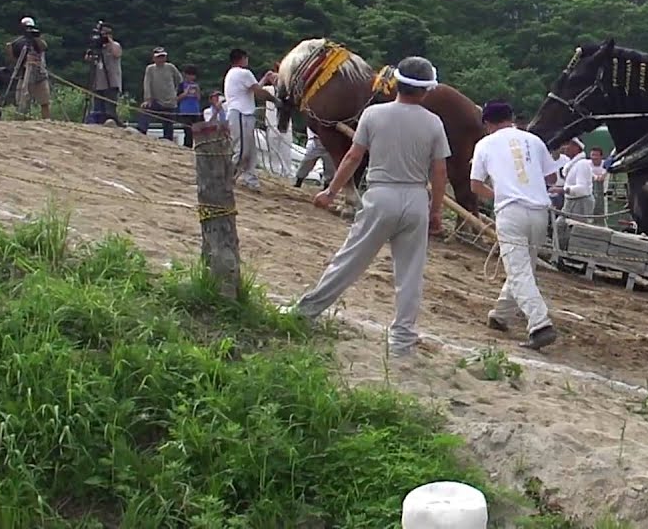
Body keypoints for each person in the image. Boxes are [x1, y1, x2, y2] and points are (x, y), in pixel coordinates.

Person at [282, 57, 450, 356]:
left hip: (381, 193)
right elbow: (439, 172)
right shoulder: (434, 122)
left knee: (349, 259)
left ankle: (307, 311)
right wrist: (436, 210)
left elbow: (352, 158)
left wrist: (331, 192)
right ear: (425, 91)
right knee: (410, 274)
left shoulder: (373, 114)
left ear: (395, 83)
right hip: (415, 200)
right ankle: (402, 340)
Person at [471, 99, 560, 350]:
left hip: (511, 211)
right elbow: (552, 177)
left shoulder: (485, 144)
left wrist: (498, 193)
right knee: (525, 267)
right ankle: (501, 314)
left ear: (487, 123)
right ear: (511, 118)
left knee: (519, 270)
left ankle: (540, 323)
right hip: (540, 211)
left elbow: (475, 185)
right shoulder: (534, 140)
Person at [223, 49, 277, 190]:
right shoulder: (243, 73)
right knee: (242, 150)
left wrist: (265, 78)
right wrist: (275, 100)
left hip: (242, 114)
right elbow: (258, 91)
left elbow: (254, 88)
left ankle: (250, 179)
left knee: (251, 150)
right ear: (242, 59)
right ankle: (226, 176)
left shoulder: (232, 73)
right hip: (241, 113)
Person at [8, 17, 50, 119]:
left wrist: (36, 38)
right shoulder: (19, 43)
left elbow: (44, 47)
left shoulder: (38, 41)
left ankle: (47, 120)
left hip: (40, 75)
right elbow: (14, 60)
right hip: (24, 75)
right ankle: (21, 120)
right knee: (22, 102)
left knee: (44, 101)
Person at [139, 47, 183, 141]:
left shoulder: (170, 67)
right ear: (154, 58)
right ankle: (141, 131)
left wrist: (175, 93)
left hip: (170, 101)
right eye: (159, 57)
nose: (161, 59)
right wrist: (148, 98)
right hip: (156, 100)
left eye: (163, 56)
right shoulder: (150, 69)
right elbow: (147, 83)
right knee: (146, 110)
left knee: (168, 124)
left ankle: (168, 140)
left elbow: (179, 80)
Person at [88, 22, 124, 126]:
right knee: (98, 109)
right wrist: (94, 46)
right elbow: (88, 57)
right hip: (99, 82)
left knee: (110, 109)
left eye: (106, 33)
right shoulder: (99, 48)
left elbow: (117, 53)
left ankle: (113, 123)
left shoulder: (115, 45)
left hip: (112, 82)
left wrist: (109, 40)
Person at [176, 65, 204, 147]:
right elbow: (177, 98)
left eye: (193, 75)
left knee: (196, 131)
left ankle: (196, 146)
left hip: (195, 111)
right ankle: (187, 146)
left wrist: (197, 91)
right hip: (185, 111)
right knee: (187, 130)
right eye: (189, 75)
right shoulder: (181, 85)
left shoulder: (196, 85)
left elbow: (198, 98)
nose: (191, 77)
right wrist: (186, 92)